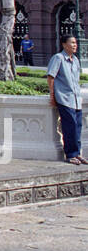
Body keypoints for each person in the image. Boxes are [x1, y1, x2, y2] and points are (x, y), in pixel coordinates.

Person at [47, 34, 87, 164]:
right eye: (72, 43)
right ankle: (70, 154)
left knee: (77, 127)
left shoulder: (75, 60)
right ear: (64, 44)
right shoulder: (58, 58)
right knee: (70, 127)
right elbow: (51, 78)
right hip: (64, 99)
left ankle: (78, 153)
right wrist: (52, 96)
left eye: (75, 43)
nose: (75, 45)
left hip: (75, 99)